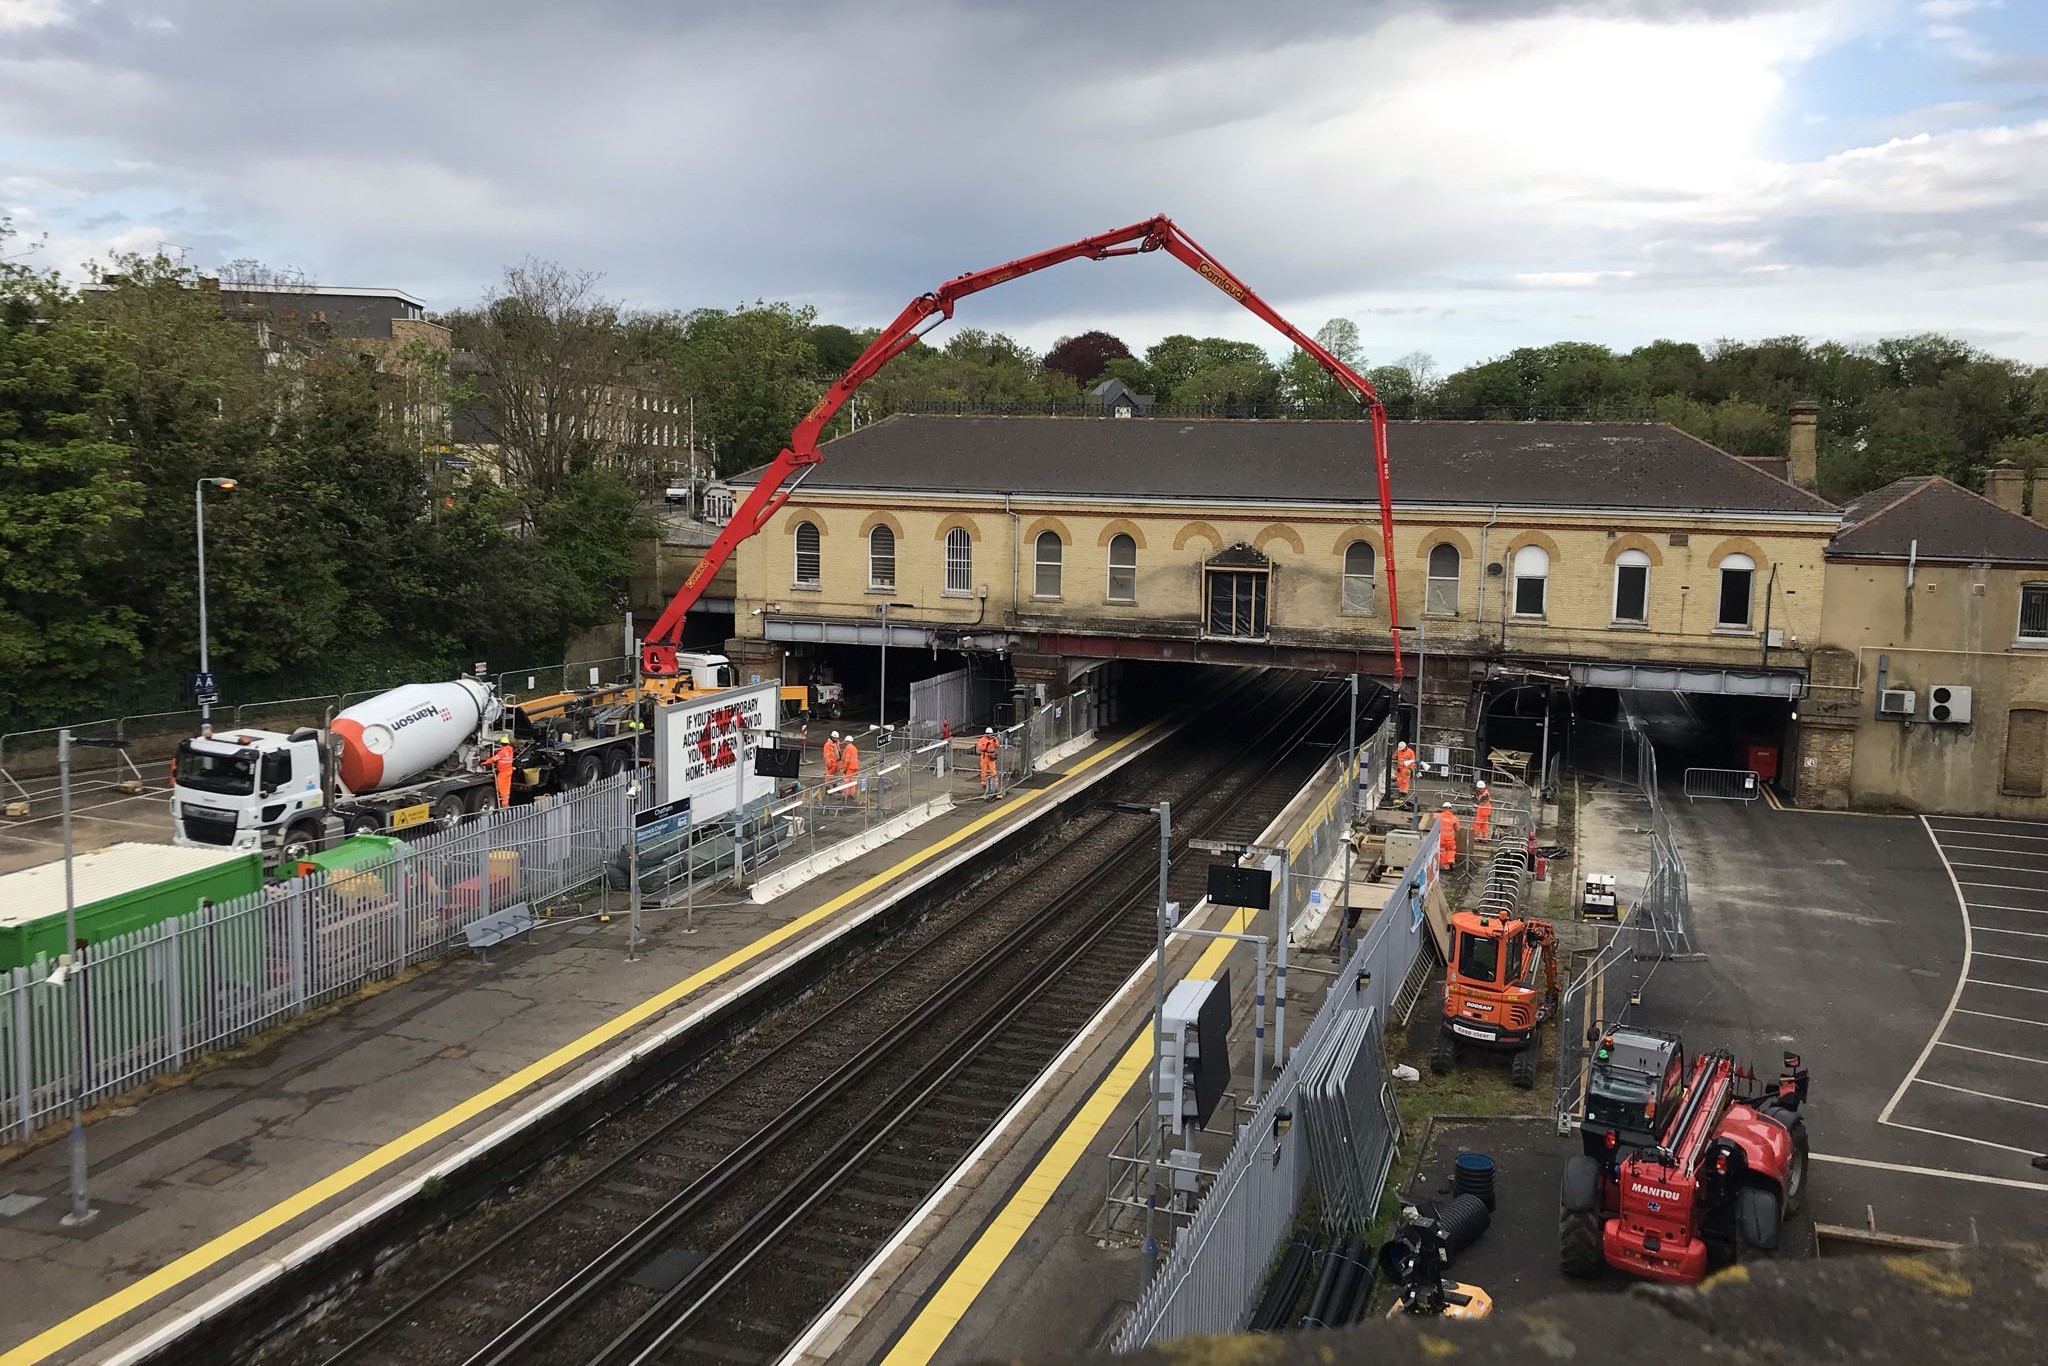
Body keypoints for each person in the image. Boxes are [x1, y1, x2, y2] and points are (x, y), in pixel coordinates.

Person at [491, 733, 515, 809]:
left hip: (503, 772)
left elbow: (494, 759)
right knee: (507, 788)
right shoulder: (510, 750)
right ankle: (506, 804)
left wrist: (485, 762)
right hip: (509, 771)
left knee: (501, 788)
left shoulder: (502, 752)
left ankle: (504, 806)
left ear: (501, 744)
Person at [977, 726, 1000, 798]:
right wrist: (986, 745)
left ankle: (995, 783)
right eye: (988, 734)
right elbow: (980, 748)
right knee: (983, 770)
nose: (989, 735)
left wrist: (995, 741)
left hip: (991, 756)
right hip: (984, 756)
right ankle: (984, 783)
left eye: (990, 734)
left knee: (993, 770)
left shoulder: (994, 739)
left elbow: (997, 745)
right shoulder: (982, 740)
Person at [1437, 800, 1459, 872]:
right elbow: (1457, 828)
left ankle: (1445, 866)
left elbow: (1431, 818)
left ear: (1443, 808)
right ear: (1450, 809)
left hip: (1442, 838)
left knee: (1442, 852)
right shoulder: (1454, 818)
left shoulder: (1439, 816)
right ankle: (1451, 859)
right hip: (1450, 839)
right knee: (1451, 850)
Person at [839, 735, 862, 801]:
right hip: (854, 767)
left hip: (849, 768)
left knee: (846, 782)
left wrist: (844, 768)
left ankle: (845, 795)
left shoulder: (848, 748)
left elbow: (847, 759)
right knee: (852, 782)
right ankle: (851, 795)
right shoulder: (854, 748)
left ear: (847, 741)